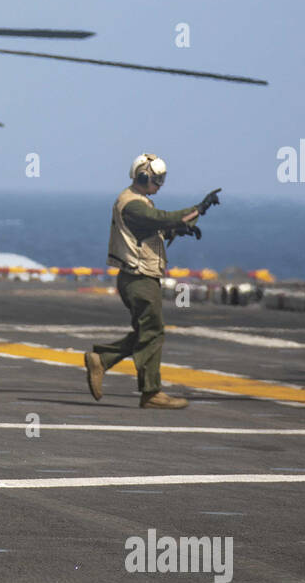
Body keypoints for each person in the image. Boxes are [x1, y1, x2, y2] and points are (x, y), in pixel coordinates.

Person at [85, 152, 219, 409]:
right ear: (143, 176)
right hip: (139, 278)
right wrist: (197, 210)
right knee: (153, 332)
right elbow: (160, 219)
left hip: (140, 277)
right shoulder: (133, 205)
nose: (160, 184)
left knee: (148, 333)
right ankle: (150, 392)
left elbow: (154, 228)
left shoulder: (140, 202)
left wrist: (180, 229)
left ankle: (103, 361)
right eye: (157, 179)